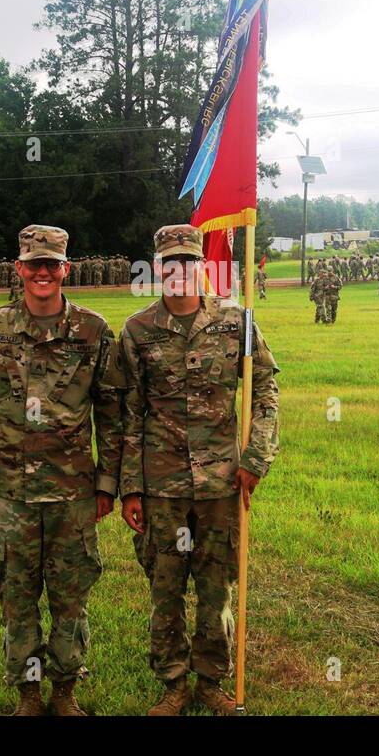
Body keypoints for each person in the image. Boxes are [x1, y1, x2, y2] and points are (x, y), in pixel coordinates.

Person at [0, 225, 124, 717]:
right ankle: (28, 694)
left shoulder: (93, 331)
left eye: (52, 264)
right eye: (34, 263)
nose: (43, 272)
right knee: (17, 597)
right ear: (19, 268)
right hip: (8, 492)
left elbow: (111, 414)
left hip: (73, 493)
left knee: (71, 598)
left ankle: (65, 693)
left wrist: (108, 484)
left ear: (65, 268)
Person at [118, 224, 280, 716]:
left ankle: (211, 682)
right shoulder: (137, 331)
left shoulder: (236, 323)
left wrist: (256, 457)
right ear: (158, 269)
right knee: (165, 589)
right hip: (161, 485)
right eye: (170, 264)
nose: (179, 272)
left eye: (188, 262)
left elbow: (266, 390)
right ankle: (173, 684)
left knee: (216, 589)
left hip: (221, 484)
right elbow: (126, 412)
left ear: (202, 267)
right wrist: (130, 488)